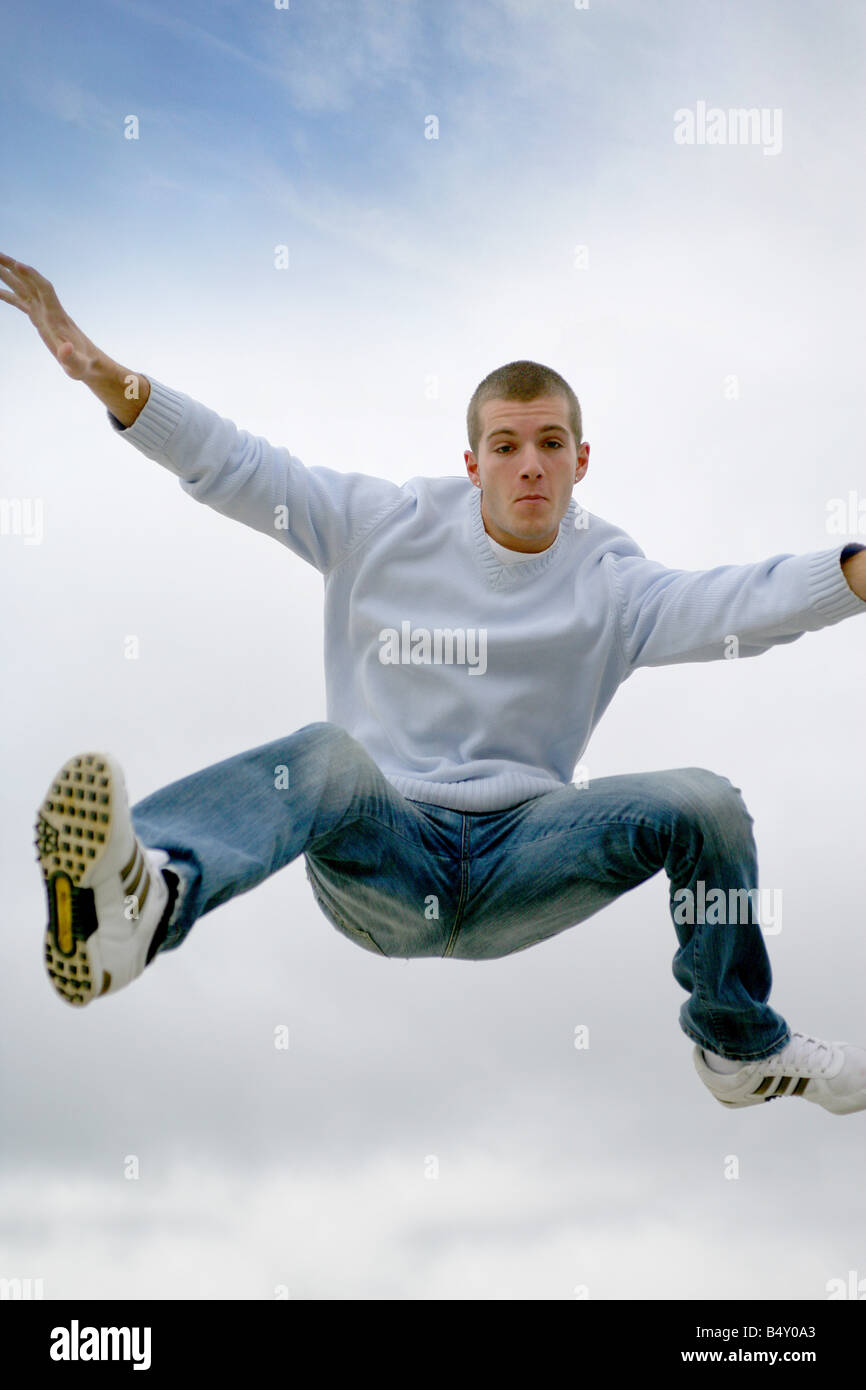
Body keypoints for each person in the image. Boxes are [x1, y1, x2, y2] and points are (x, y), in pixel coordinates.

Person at [4, 250, 866, 1116]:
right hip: (386, 856)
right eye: (506, 446)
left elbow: (746, 603)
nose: (529, 465)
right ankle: (144, 901)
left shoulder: (615, 583)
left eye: (550, 444)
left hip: (525, 862)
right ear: (472, 463)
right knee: (329, 755)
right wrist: (112, 382)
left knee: (705, 802)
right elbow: (241, 467)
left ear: (580, 460)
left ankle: (740, 1046)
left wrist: (855, 572)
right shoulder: (382, 526)